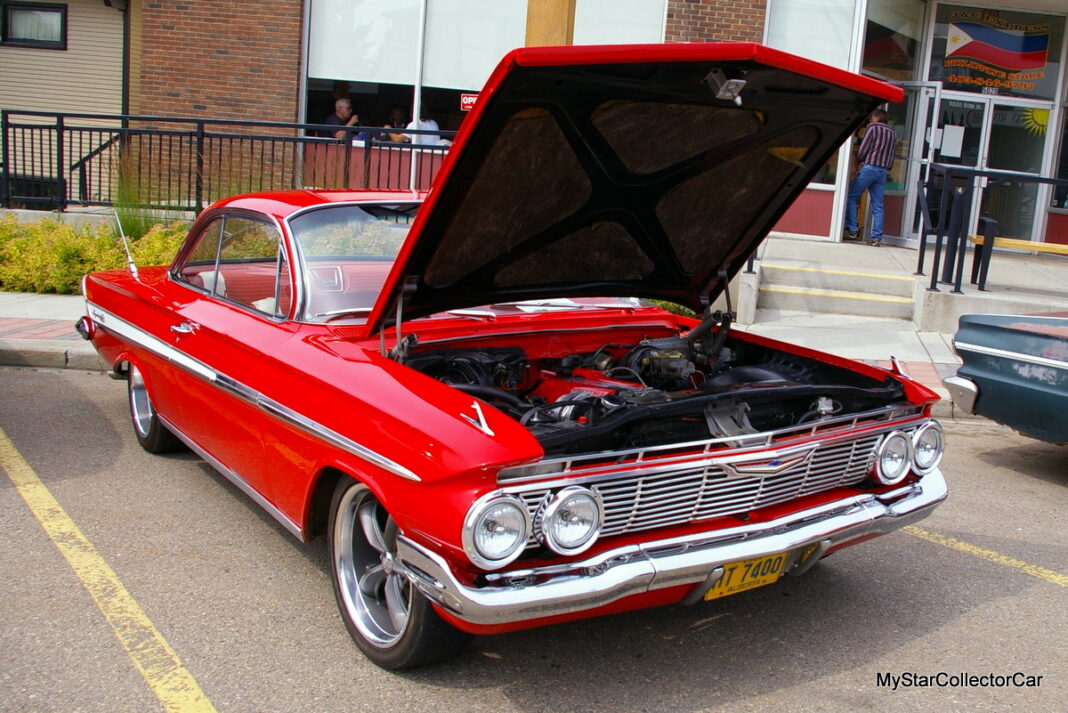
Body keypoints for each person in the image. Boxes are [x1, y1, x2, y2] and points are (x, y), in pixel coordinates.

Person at [844, 109, 896, 246]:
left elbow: (864, 147)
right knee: (878, 205)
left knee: (852, 196)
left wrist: (859, 159)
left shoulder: (872, 127)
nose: (870, 119)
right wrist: (887, 167)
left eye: (871, 116)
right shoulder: (891, 131)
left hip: (870, 167)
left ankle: (853, 230)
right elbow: (892, 153)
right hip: (882, 171)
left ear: (877, 117)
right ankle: (876, 238)